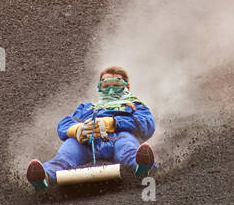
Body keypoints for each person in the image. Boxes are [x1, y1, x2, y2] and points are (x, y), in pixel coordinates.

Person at [27, 66, 156, 189]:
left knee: (126, 147)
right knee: (67, 152)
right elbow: (64, 124)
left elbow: (146, 123)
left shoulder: (136, 105)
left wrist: (112, 123)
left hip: (119, 137)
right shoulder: (87, 108)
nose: (111, 91)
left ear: (126, 86)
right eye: (106, 87)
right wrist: (78, 130)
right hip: (89, 141)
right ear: (100, 88)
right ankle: (45, 176)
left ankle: (141, 167)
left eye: (116, 87)